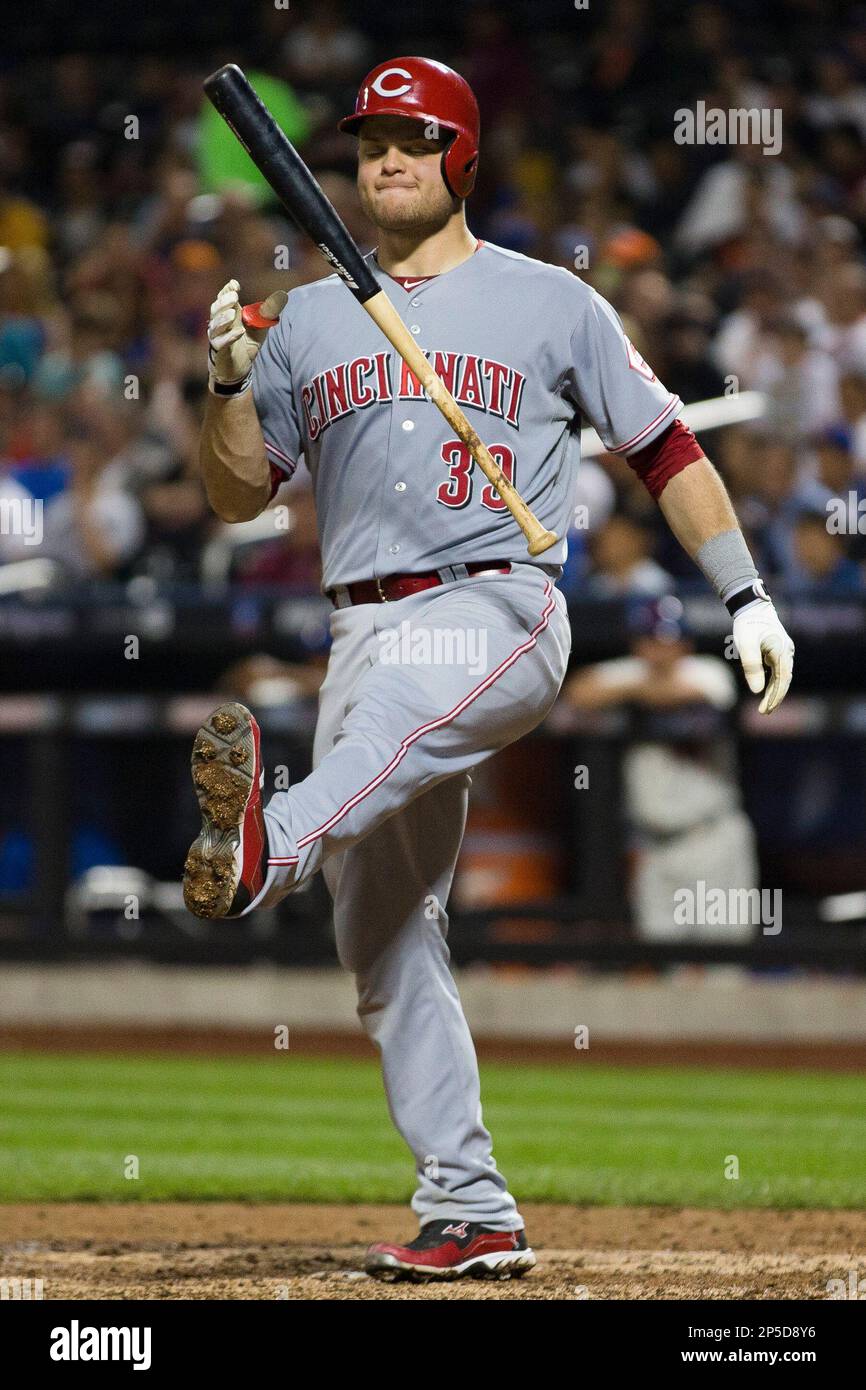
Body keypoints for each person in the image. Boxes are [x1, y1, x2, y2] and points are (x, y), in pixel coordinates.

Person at [183, 57, 794, 1282]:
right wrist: (226, 384)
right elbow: (238, 494)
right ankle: (471, 1208)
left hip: (495, 601)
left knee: (388, 736)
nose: (386, 160)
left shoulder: (547, 300)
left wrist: (744, 591)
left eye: (413, 139)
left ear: (461, 156)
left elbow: (664, 447)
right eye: (370, 143)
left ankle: (266, 846)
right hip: (359, 629)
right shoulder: (306, 318)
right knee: (382, 940)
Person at [564, 597, 759, 943]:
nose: (658, 649)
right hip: (654, 848)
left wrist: (627, 691)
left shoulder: (709, 671)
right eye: (649, 639)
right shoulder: (632, 673)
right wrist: (633, 685)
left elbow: (676, 695)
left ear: (686, 644)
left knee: (724, 964)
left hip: (712, 838)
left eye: (667, 640)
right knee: (662, 963)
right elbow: (578, 693)